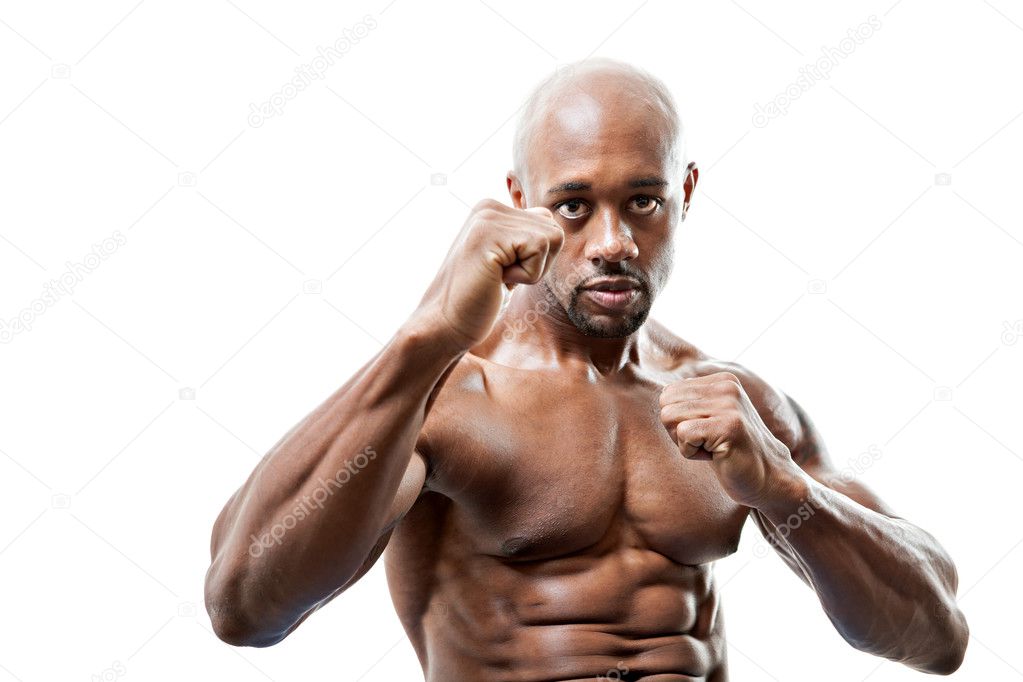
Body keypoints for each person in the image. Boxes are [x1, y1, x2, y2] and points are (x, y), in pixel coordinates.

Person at [204, 58, 968, 680]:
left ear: (685, 194)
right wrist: (428, 334)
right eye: (572, 205)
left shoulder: (730, 403)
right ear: (518, 202)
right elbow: (244, 608)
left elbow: (935, 639)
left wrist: (782, 488)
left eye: (643, 201)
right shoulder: (444, 397)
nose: (614, 241)